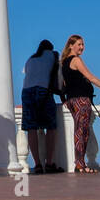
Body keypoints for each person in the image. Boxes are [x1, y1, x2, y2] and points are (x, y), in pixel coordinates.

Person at [59, 35, 100, 173]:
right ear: (70, 45)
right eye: (79, 44)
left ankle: (80, 163)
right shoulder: (75, 60)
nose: (82, 47)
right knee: (82, 132)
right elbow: (91, 77)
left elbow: (65, 84)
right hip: (81, 100)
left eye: (83, 45)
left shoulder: (64, 62)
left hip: (72, 100)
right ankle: (80, 165)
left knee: (80, 130)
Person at [21, 40, 63, 173]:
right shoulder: (53, 55)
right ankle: (49, 163)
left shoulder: (31, 59)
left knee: (31, 128)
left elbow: (27, 74)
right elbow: (58, 76)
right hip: (43, 90)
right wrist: (63, 96)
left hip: (27, 91)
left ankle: (37, 164)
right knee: (50, 127)